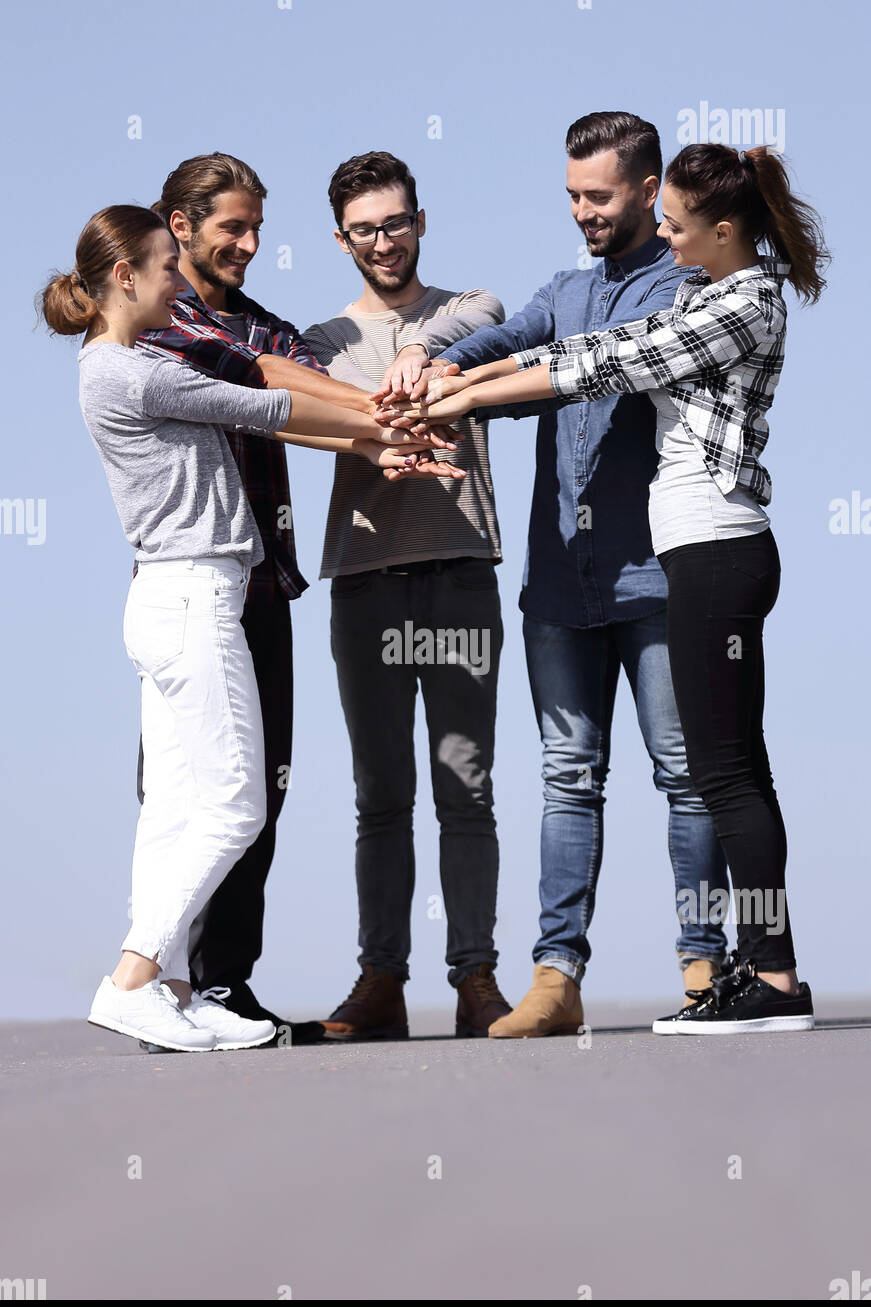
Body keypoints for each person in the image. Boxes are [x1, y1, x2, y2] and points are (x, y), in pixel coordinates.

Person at [394, 141, 829, 1034]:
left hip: (712, 548)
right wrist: (462, 372)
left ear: (720, 228)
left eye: (673, 221)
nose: (665, 236)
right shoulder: (711, 291)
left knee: (719, 775)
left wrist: (462, 400)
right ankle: (763, 967)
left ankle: (769, 976)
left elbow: (605, 366)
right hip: (694, 551)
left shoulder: (738, 303)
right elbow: (599, 341)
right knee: (724, 770)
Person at [40, 204, 457, 1052]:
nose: (174, 283)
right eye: (164, 269)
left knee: (175, 810)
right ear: (126, 278)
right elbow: (264, 404)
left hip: (172, 600)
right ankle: (131, 978)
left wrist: (375, 446)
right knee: (235, 804)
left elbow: (270, 407)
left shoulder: (108, 366)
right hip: (193, 598)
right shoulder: (136, 370)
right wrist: (391, 423)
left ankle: (169, 989)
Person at [301, 151, 513, 1040]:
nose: (383, 241)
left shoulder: (469, 312)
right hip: (364, 578)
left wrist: (422, 353)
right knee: (379, 793)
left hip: (460, 571)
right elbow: (301, 417)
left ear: (420, 222)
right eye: (364, 229)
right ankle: (380, 981)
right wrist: (370, 427)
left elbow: (484, 317)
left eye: (396, 222)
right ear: (340, 239)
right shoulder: (317, 345)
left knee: (464, 786)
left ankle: (475, 981)